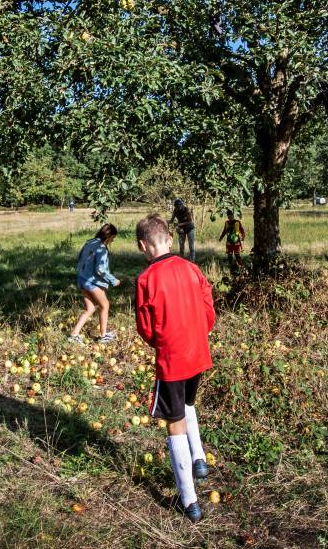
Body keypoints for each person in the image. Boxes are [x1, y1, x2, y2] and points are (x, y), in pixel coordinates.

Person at [133, 214, 216, 523]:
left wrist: (163, 342)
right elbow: (209, 310)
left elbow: (146, 328)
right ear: (169, 239)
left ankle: (189, 499)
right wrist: (198, 332)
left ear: (143, 246)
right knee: (188, 403)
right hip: (199, 352)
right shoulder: (192, 268)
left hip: (172, 359)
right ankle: (199, 459)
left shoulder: (146, 280)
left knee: (174, 422)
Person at [69, 224, 120, 344]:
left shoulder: (89, 242)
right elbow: (100, 269)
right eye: (113, 238)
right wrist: (113, 280)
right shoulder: (102, 248)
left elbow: (79, 257)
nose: (113, 241)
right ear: (109, 236)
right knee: (105, 305)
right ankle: (103, 336)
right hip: (91, 281)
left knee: (90, 309)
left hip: (82, 279)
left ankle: (74, 335)